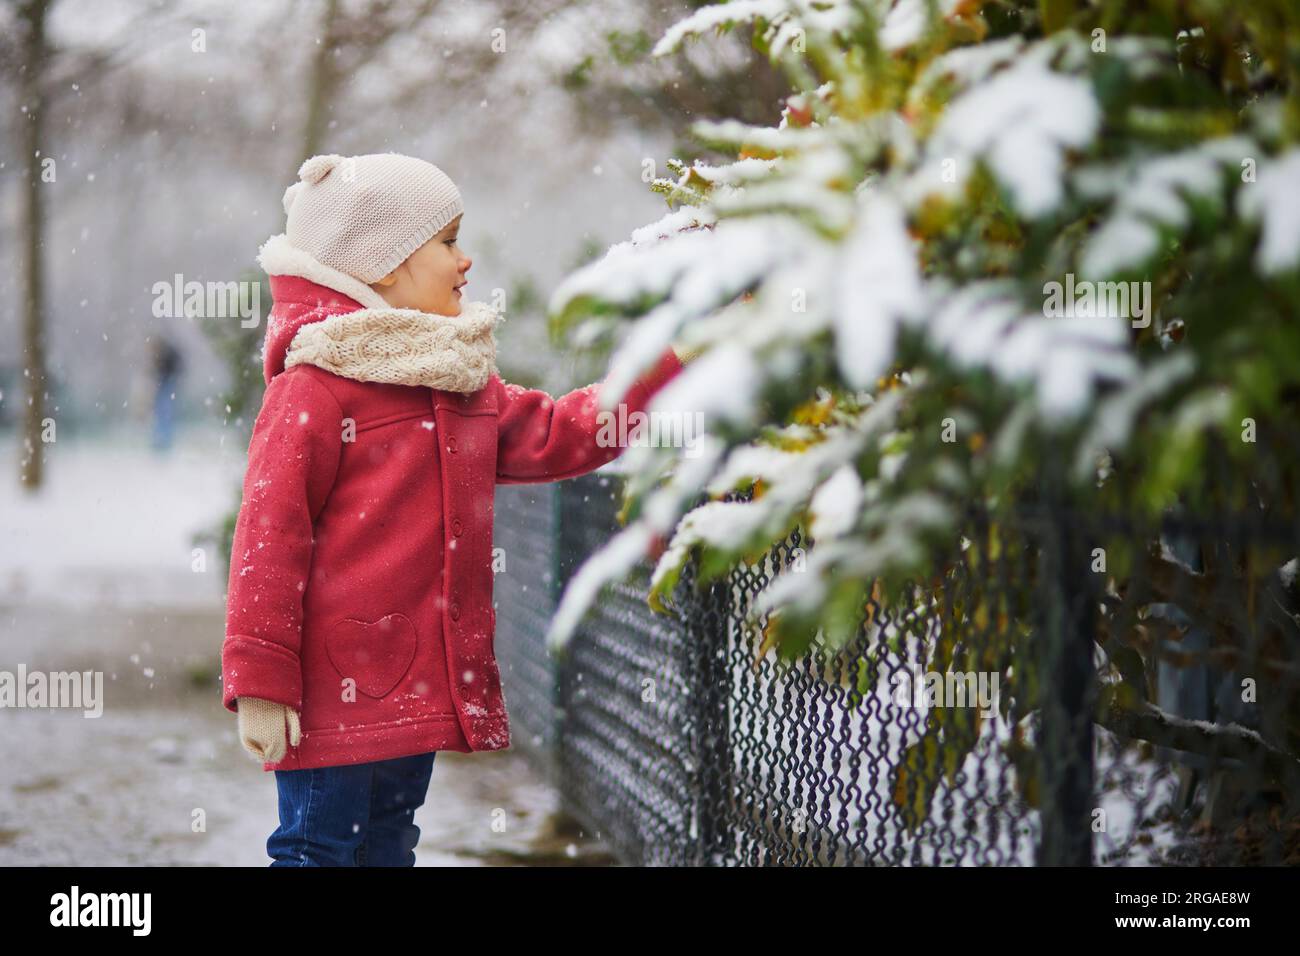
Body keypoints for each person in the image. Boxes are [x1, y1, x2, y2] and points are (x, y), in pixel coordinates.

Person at [222, 152, 690, 866]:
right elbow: (268, 540)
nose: (466, 261)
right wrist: (259, 680)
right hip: (327, 696)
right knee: (317, 849)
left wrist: (670, 361)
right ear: (381, 266)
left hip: (411, 688)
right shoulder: (314, 390)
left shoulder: (455, 382)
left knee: (389, 844)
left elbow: (559, 433)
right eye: (446, 242)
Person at [151, 336, 183, 451]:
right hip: (165, 384)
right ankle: (162, 440)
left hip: (166, 384)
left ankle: (163, 440)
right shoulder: (167, 355)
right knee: (163, 412)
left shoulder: (166, 356)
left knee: (164, 412)